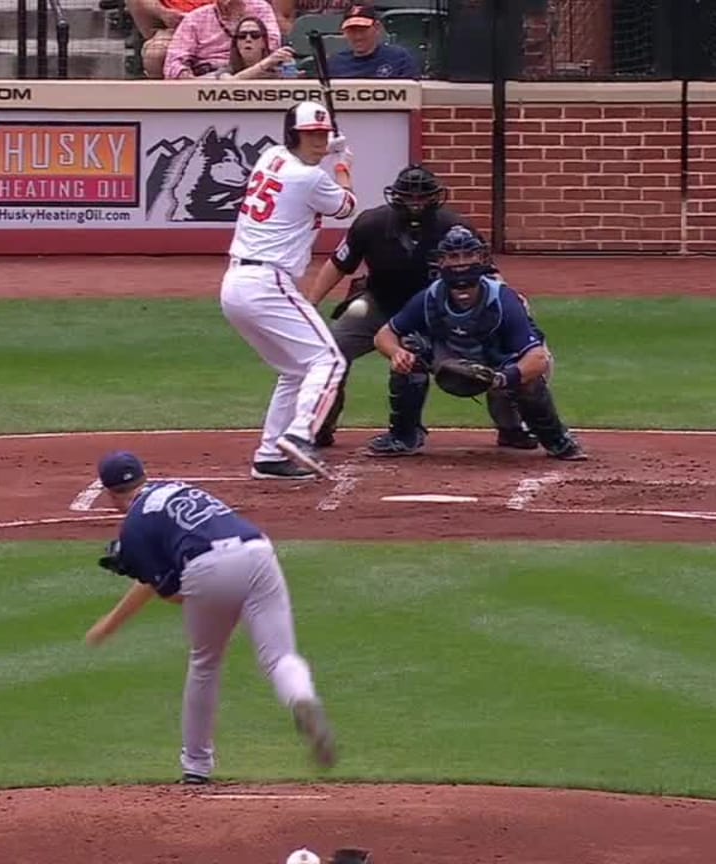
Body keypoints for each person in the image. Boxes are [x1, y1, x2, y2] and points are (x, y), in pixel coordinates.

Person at [83, 450, 337, 784]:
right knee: (280, 657)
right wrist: (115, 617)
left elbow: (176, 595)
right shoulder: (178, 488)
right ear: (144, 476)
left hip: (208, 566)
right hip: (258, 550)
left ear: (109, 493)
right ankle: (302, 697)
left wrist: (140, 569)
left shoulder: (134, 528)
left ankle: (196, 766)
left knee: (205, 663)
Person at [306, 165, 537, 454]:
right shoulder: (371, 224)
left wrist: (507, 298)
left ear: (435, 197)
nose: (416, 204)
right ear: (395, 197)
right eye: (409, 197)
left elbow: (487, 272)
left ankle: (511, 426)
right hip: (379, 304)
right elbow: (338, 264)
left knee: (496, 351)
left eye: (422, 197)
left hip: (437, 312)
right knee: (330, 352)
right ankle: (319, 426)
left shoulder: (456, 228)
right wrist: (311, 303)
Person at [219, 100, 355, 481]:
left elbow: (304, 161)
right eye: (310, 135)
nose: (318, 141)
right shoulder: (309, 179)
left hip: (237, 286)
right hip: (268, 283)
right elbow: (346, 206)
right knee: (329, 361)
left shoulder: (271, 156)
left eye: (322, 134)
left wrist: (330, 149)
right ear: (293, 136)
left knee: (296, 370)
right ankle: (301, 434)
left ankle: (269, 456)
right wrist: (343, 167)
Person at [371, 225, 588, 460]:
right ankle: (403, 436)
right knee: (409, 349)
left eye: (468, 255)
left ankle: (554, 439)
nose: (461, 264)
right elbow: (384, 335)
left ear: (481, 258)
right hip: (450, 357)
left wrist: (500, 378)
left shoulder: (502, 299)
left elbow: (537, 359)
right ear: (441, 261)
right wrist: (396, 353)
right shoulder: (430, 297)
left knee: (528, 384)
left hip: (499, 363)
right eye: (454, 256)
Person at [163, 0, 281, 80]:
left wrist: (238, 20)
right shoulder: (195, 18)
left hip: (254, 72)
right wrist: (191, 81)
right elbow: (173, 62)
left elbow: (272, 45)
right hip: (208, 78)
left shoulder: (261, 8)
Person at [325, 5, 419, 79]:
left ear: (377, 28)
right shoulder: (334, 63)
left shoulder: (399, 59)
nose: (358, 37)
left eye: (363, 30)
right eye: (352, 31)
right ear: (344, 32)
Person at [201, 15, 297, 79]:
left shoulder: (277, 71)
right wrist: (266, 62)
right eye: (242, 36)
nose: (248, 39)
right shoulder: (226, 71)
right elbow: (231, 84)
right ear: (236, 43)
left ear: (264, 42)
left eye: (255, 35)